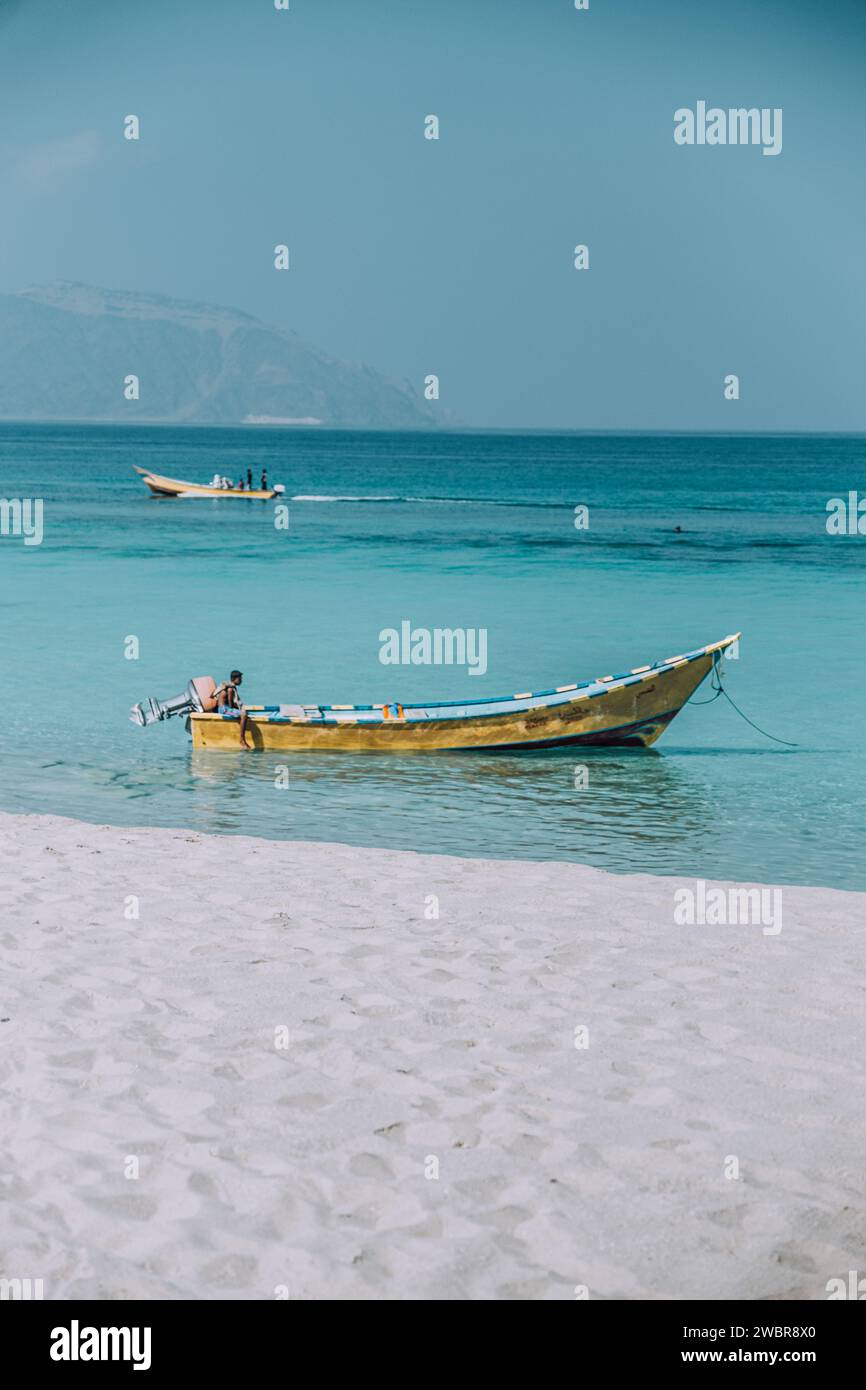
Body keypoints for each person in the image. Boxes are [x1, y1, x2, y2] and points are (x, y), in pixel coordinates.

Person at [213, 669, 251, 749]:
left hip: (225, 708)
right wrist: (239, 711)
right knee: (243, 714)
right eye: (240, 678)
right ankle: (242, 739)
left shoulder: (230, 686)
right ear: (234, 679)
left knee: (242, 712)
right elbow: (230, 706)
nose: (241, 680)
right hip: (224, 709)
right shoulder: (230, 689)